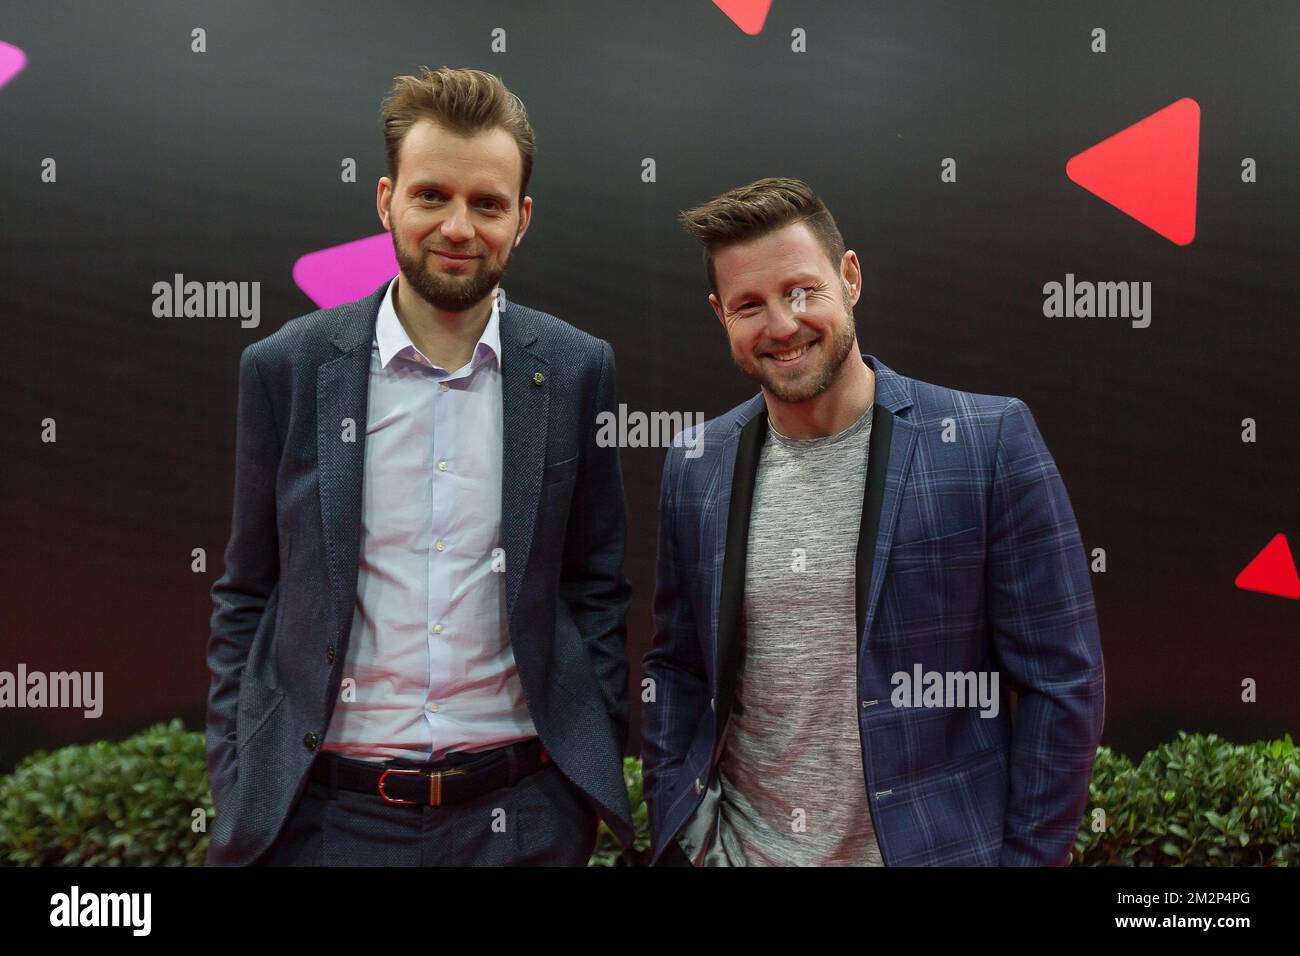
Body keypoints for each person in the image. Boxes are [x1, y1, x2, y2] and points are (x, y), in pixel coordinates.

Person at [204, 66, 633, 866]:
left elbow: (595, 585)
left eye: (488, 203)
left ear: (523, 217)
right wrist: (239, 784)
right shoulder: (287, 368)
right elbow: (247, 592)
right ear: (386, 201)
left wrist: (579, 780)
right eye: (432, 195)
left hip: (525, 818)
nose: (458, 227)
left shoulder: (576, 369)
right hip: (327, 822)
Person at [641, 177, 1104, 866]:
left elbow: (1062, 685)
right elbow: (676, 667)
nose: (781, 324)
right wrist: (685, 834)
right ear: (721, 315)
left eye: (801, 291)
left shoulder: (988, 441)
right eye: (749, 305)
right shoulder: (696, 464)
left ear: (849, 276)